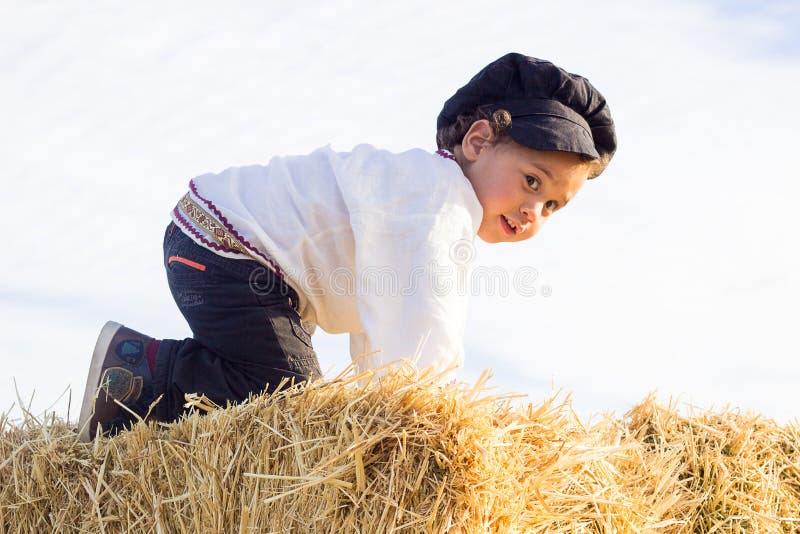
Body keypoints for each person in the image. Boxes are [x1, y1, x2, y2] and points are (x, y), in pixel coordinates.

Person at [77, 53, 617, 442]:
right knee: (286, 392)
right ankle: (136, 369)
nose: (534, 211)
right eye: (531, 182)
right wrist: (429, 424)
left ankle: (136, 417)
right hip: (226, 249)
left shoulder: (414, 198)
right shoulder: (438, 199)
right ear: (477, 142)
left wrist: (369, 414)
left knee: (275, 398)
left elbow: (383, 329)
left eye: (552, 206)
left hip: (224, 245)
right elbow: (423, 322)